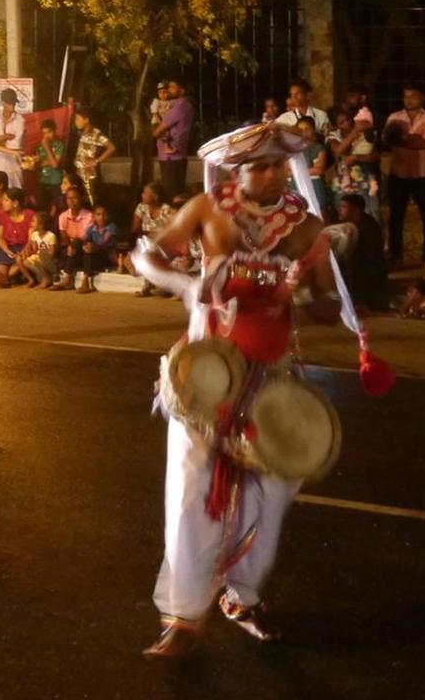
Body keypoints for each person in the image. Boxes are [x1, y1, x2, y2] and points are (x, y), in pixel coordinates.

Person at [131, 122, 349, 657]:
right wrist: (187, 285)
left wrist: (294, 298)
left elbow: (330, 306)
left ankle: (242, 594)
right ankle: (183, 617)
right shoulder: (207, 209)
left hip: (272, 375)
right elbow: (147, 255)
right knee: (192, 490)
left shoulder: (306, 228)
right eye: (258, 166)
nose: (271, 174)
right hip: (206, 371)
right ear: (237, 169)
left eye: (278, 164)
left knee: (271, 492)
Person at [381, 87, 425, 264]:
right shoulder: (394, 117)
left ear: (423, 97)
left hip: (422, 175)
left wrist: (400, 137)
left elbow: (423, 143)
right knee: (396, 217)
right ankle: (395, 255)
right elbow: (387, 139)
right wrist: (410, 138)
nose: (408, 100)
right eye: (405, 96)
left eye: (413, 96)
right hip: (398, 174)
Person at [153, 80, 193, 200]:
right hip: (177, 155)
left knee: (172, 195)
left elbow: (158, 130)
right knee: (177, 193)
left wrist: (154, 129)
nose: (169, 89)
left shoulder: (179, 107)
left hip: (171, 157)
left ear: (182, 90)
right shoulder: (184, 105)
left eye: (172, 87)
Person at [0, 186, 36, 288]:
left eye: (6, 200)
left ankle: (8, 277)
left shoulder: (29, 215)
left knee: (12, 271)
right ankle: (5, 277)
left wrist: (25, 250)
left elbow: (31, 237)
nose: (3, 203)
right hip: (7, 248)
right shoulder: (2, 215)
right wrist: (6, 250)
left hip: (23, 248)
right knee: (2, 270)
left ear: (15, 203)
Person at [56, 186, 99, 293]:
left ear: (81, 198)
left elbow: (85, 236)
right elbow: (63, 236)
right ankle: (79, 280)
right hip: (70, 248)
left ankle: (75, 279)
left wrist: (73, 244)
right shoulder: (63, 216)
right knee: (75, 246)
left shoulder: (88, 216)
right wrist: (69, 245)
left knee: (85, 247)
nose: (71, 201)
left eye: (75, 198)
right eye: (69, 198)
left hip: (83, 245)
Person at [71, 110, 114, 209]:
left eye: (78, 119)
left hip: (89, 175)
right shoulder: (80, 133)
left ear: (86, 120)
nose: (76, 122)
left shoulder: (96, 134)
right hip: (78, 173)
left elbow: (111, 148)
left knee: (91, 203)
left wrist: (97, 160)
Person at [0, 88, 25, 189]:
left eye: (14, 103)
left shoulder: (20, 120)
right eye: (10, 103)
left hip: (13, 165)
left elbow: (15, 145)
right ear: (3, 102)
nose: (12, 106)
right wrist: (5, 137)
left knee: (14, 192)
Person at [31, 117, 66, 212]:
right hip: (43, 182)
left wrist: (46, 147)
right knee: (42, 210)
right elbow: (37, 165)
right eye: (44, 133)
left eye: (49, 132)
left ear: (55, 131)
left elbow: (55, 164)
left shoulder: (59, 144)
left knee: (59, 209)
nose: (46, 136)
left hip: (56, 183)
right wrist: (34, 161)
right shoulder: (39, 147)